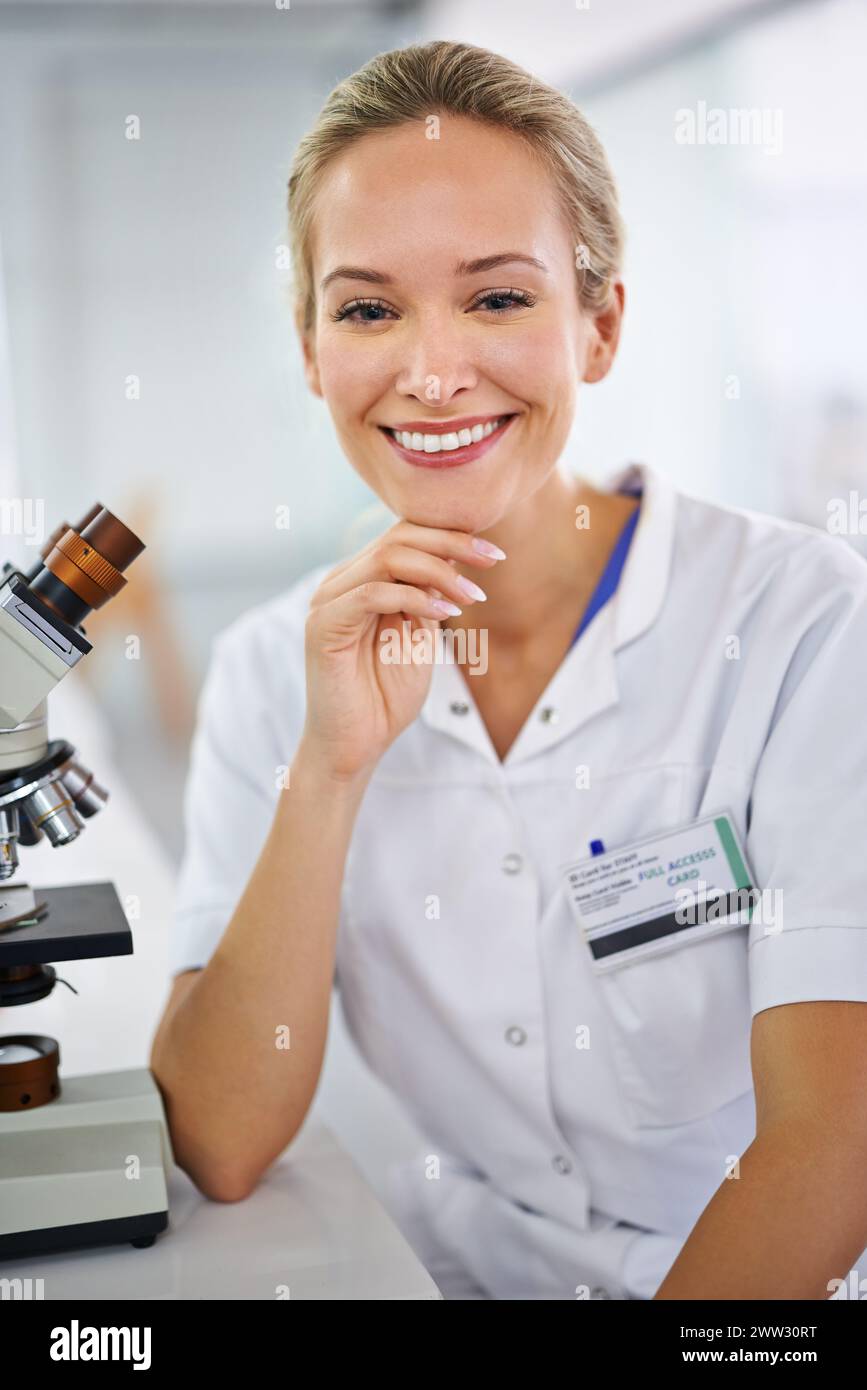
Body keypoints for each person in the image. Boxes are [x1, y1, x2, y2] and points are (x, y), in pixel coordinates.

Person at [150, 39, 867, 1301]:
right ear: (313, 350)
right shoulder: (275, 670)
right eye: (368, 307)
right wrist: (328, 770)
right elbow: (220, 1134)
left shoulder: (806, 625)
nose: (432, 371)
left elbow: (832, 1143)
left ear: (598, 325)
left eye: (496, 298)